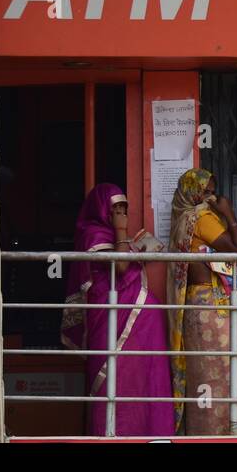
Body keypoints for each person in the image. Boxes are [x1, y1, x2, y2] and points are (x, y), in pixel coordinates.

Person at [62, 183, 175, 437]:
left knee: (144, 384)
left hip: (141, 332)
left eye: (124, 208)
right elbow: (121, 267)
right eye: (116, 208)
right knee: (112, 382)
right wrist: (121, 230)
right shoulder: (94, 235)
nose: (121, 213)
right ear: (102, 209)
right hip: (110, 321)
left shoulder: (113, 236)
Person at [167, 168, 237, 435]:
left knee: (206, 378)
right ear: (194, 194)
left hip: (196, 306)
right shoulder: (202, 218)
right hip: (215, 308)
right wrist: (229, 213)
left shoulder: (182, 219)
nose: (211, 198)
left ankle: (205, 435)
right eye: (206, 192)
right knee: (235, 375)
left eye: (213, 192)